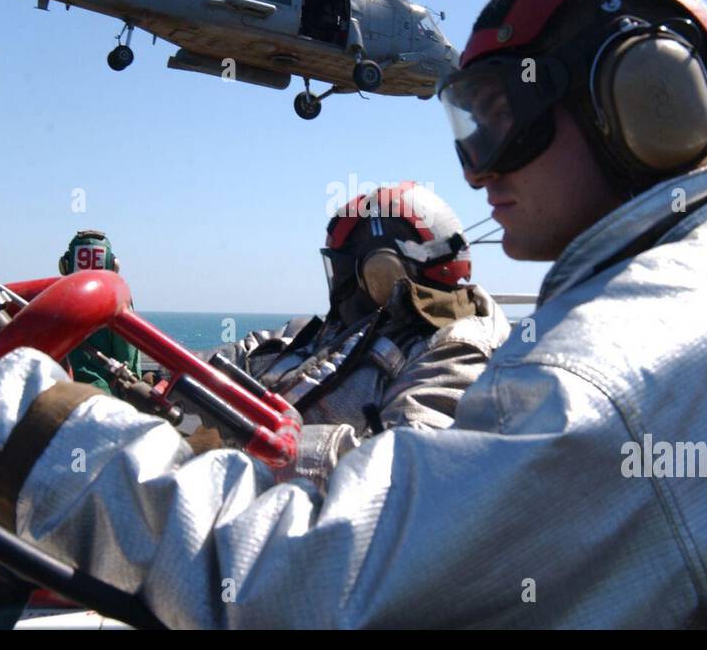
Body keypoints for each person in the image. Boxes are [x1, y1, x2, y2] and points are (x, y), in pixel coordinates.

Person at [0, 0, 707, 628]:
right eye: (462, 127)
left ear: (643, 105)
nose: (477, 170)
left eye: (496, 118)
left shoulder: (626, 361)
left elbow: (330, 593)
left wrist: (59, 447)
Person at [194, 182, 509, 484]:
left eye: (348, 271)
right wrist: (161, 374)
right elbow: (236, 355)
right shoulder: (324, 330)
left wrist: (241, 445)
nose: (343, 285)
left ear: (383, 273)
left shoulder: (456, 349)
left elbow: (401, 469)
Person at [58, 230, 143, 393]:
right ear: (113, 265)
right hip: (104, 398)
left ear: (65, 265)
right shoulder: (116, 303)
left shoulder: (53, 301)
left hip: (63, 396)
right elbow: (127, 358)